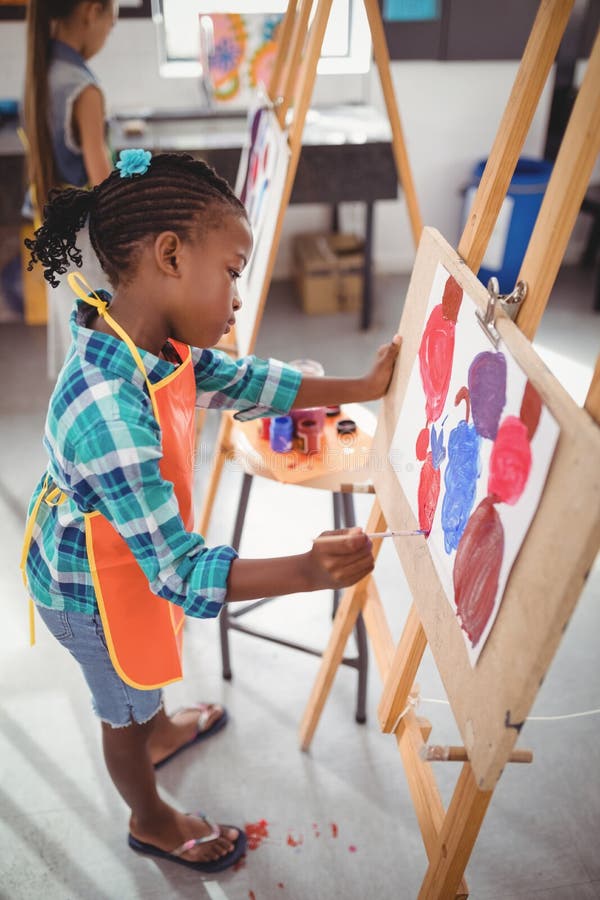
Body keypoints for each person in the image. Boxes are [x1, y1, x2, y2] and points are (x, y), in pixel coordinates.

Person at [21, 149, 401, 874]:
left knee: (148, 661)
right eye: (232, 272)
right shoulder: (108, 410)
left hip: (127, 558)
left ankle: (158, 726)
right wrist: (308, 569)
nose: (237, 297)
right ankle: (151, 815)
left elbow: (245, 378)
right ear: (170, 255)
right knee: (123, 703)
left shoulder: (149, 343)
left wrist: (360, 385)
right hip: (88, 591)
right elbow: (179, 571)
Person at [23, 0, 116, 377]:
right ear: (92, 11)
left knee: (79, 347)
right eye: (111, 23)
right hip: (87, 240)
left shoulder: (40, 72)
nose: (108, 34)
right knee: (106, 349)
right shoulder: (83, 88)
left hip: (55, 236)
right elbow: (105, 185)